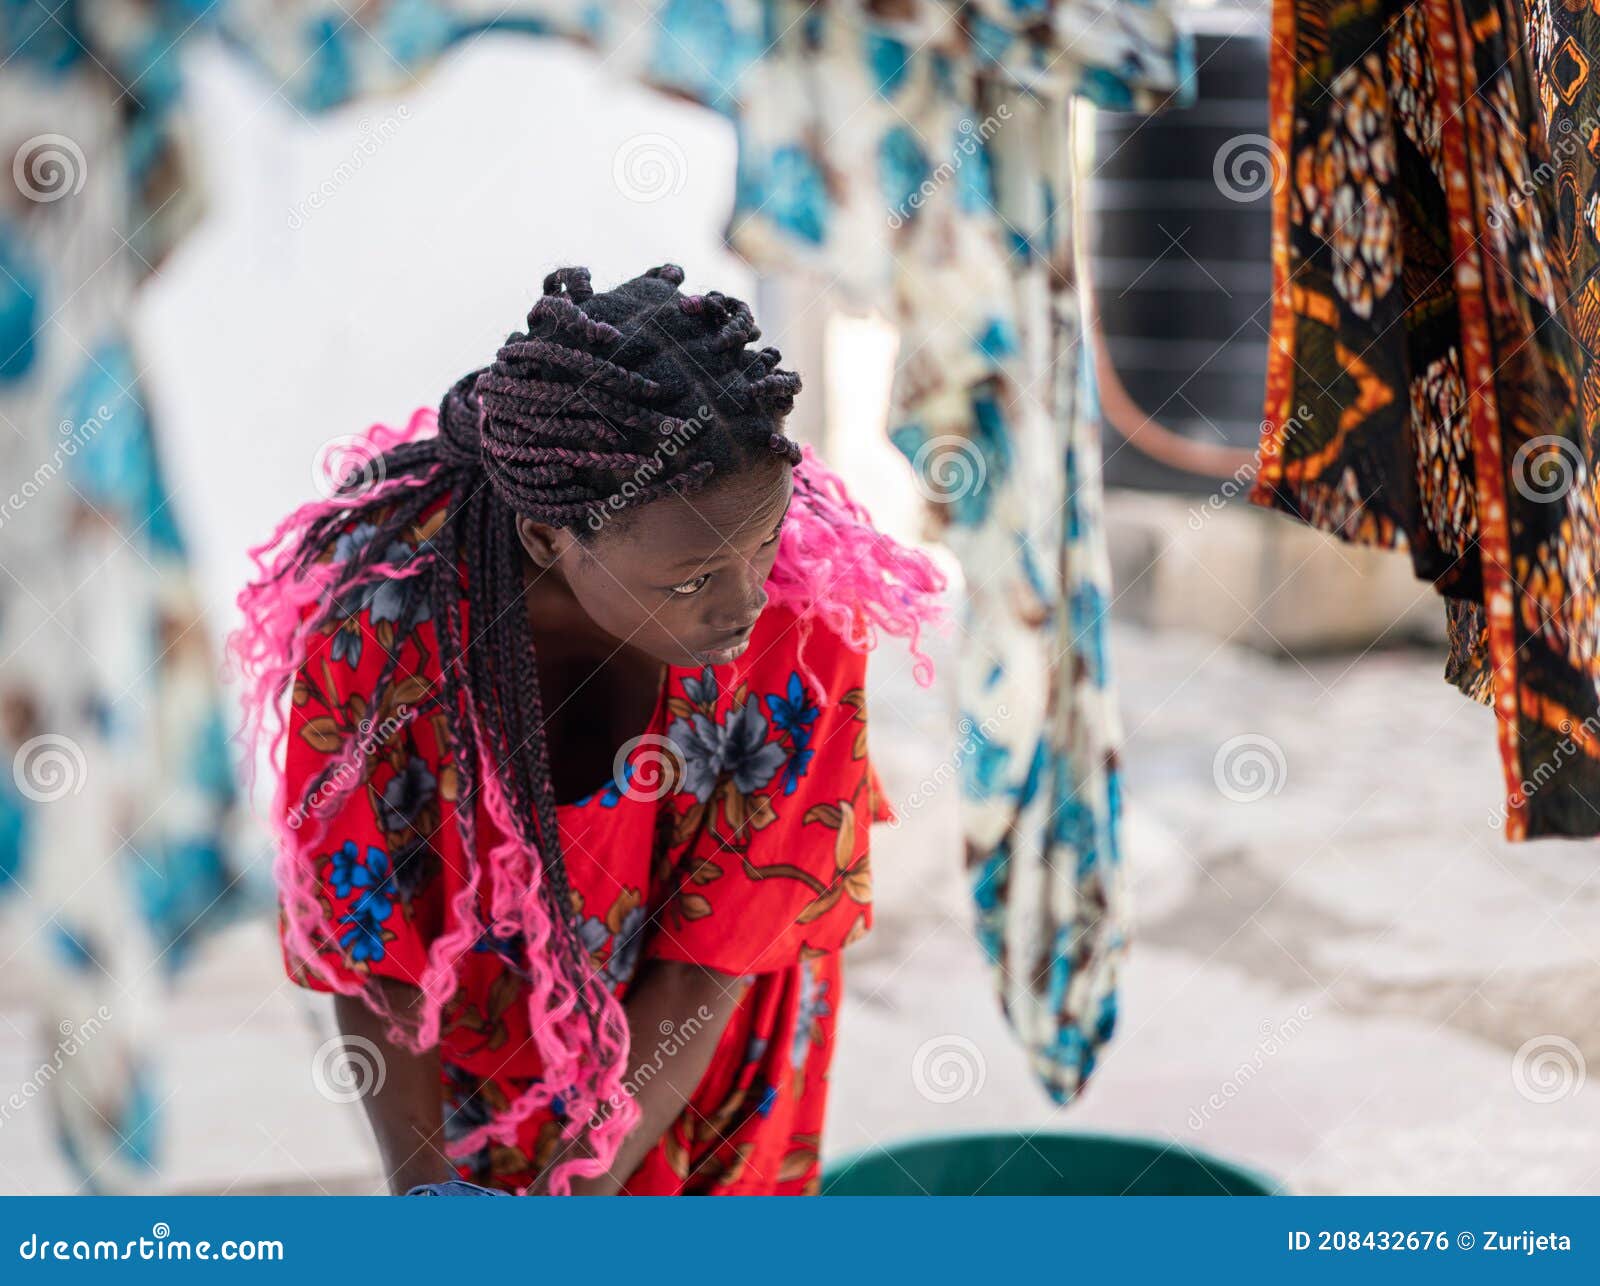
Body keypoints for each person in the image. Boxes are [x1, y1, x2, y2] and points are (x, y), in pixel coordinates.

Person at [231, 264, 944, 1195]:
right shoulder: (383, 634)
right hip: (478, 1051)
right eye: (687, 581)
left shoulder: (796, 631)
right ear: (545, 540)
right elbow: (372, 946)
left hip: (708, 1054)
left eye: (763, 542)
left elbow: (710, 967)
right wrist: (424, 1191)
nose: (741, 602)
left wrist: (579, 1193)